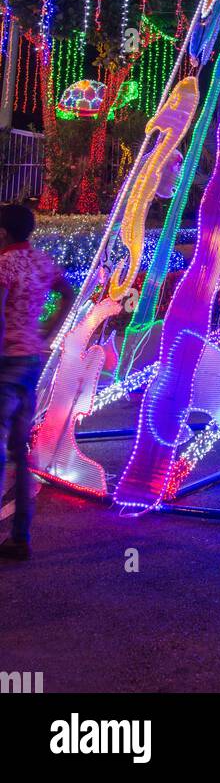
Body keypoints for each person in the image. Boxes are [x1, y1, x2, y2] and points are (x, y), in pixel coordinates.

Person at [0, 203, 75, 560]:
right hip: (31, 360)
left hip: (6, 362)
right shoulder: (41, 261)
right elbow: (68, 294)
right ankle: (20, 536)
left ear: (3, 232)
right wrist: (46, 334)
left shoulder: (3, 265)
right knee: (19, 450)